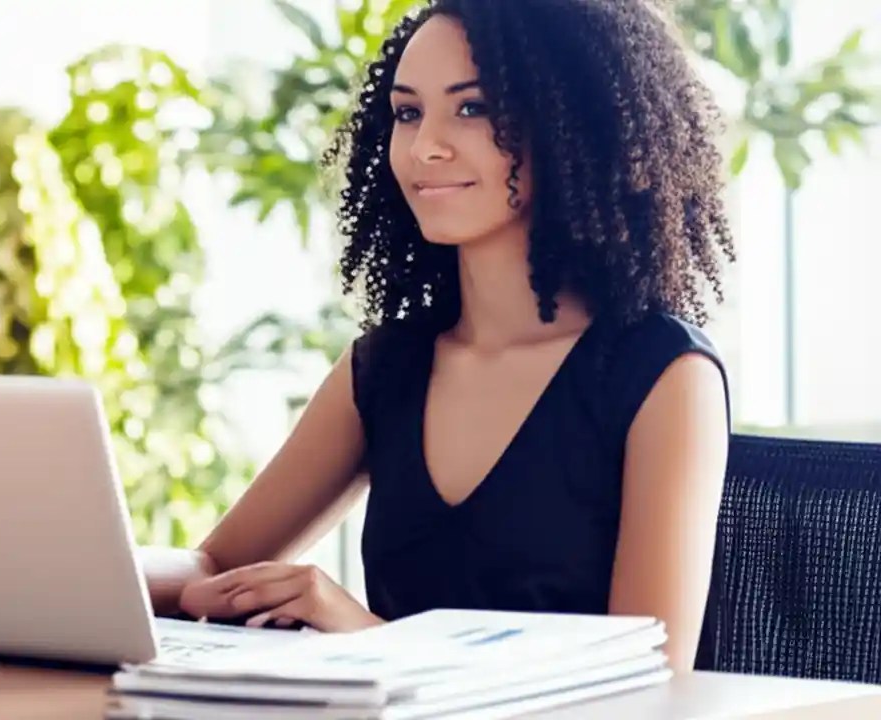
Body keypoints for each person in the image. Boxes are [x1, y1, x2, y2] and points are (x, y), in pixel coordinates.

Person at [139, 0, 734, 673]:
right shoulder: (388, 366)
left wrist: (365, 638)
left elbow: (649, 685)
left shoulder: (662, 375)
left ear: (572, 125)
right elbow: (218, 565)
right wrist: (92, 573)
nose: (425, 148)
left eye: (473, 109)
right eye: (407, 112)